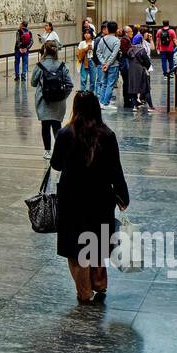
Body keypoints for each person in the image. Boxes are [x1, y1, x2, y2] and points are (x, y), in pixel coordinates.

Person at [51, 92, 130, 305]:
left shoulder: (65, 134)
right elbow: (116, 170)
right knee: (95, 242)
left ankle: (84, 293)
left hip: (72, 198)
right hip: (101, 198)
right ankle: (100, 283)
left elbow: (56, 165)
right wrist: (123, 195)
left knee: (76, 248)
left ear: (75, 109)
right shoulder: (107, 134)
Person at [31, 37, 70, 160]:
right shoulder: (62, 66)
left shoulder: (39, 66)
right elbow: (69, 84)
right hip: (59, 102)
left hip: (43, 100)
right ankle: (59, 151)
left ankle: (47, 151)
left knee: (45, 125)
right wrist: (63, 96)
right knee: (57, 125)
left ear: (45, 51)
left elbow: (33, 82)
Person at [94, 21, 122, 111]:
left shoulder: (102, 39)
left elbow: (98, 52)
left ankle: (101, 102)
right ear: (116, 29)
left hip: (104, 65)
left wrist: (103, 63)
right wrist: (108, 64)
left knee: (104, 83)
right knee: (110, 84)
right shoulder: (117, 41)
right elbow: (114, 54)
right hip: (113, 65)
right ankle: (106, 103)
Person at [125, 32, 152, 112]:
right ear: (140, 41)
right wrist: (146, 67)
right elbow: (147, 62)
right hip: (141, 71)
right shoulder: (142, 50)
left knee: (133, 88)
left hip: (131, 71)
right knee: (146, 88)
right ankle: (151, 106)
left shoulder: (130, 50)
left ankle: (134, 106)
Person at [75, 25, 96, 93]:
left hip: (92, 60)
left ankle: (91, 92)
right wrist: (85, 50)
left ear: (91, 34)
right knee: (83, 78)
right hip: (84, 61)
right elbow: (78, 53)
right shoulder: (82, 43)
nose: (86, 35)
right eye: (85, 33)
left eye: (88, 33)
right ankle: (83, 91)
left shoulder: (94, 43)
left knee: (93, 78)